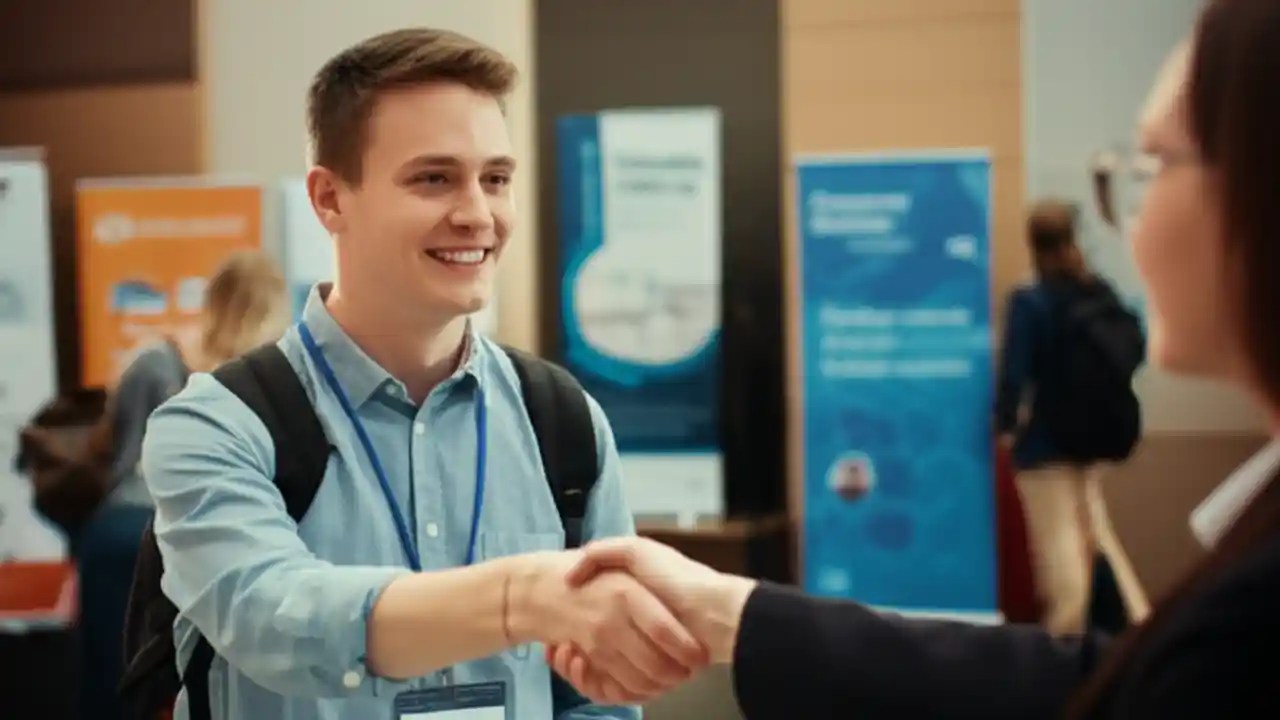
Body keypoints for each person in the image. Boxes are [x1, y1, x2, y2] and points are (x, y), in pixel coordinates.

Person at [548, 1, 1280, 716]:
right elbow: (1083, 685)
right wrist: (735, 615)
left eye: (1153, 167)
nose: (1136, 221)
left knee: (1069, 558)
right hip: (1079, 450)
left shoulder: (1248, 612)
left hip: (1047, 448)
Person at [140, 28, 703, 720]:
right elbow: (274, 617)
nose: (477, 214)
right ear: (329, 200)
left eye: (495, 179)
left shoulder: (562, 422)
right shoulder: (217, 426)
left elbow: (596, 699)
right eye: (433, 178)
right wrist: (519, 599)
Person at [76, 249, 289, 720]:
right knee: (185, 683)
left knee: (112, 681)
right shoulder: (264, 379)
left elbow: (121, 460)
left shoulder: (156, 359)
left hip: (122, 532)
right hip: (195, 540)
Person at [994, 200, 1150, 636]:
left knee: (1058, 540)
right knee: (1096, 535)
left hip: (1044, 444)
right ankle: (1140, 626)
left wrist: (1004, 427)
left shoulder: (1030, 301)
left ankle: (1065, 635)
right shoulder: (1094, 290)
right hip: (1090, 437)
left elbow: (1015, 374)